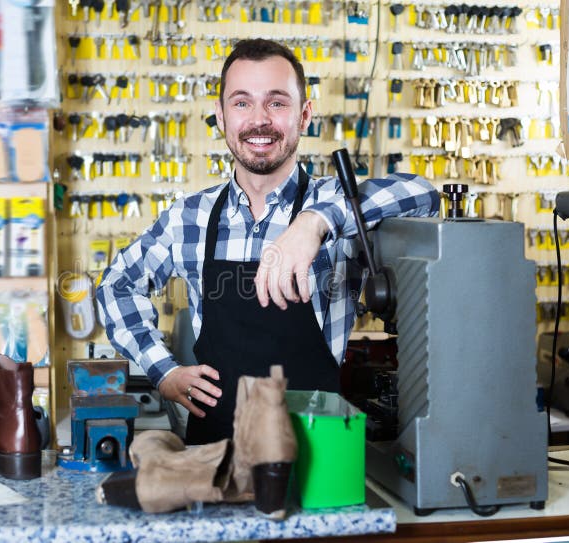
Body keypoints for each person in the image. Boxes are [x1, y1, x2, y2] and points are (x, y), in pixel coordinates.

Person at [96, 38, 439, 445]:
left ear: (304, 115)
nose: (259, 120)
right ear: (221, 117)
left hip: (318, 456)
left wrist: (315, 222)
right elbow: (116, 285)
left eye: (277, 102)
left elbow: (422, 193)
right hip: (216, 455)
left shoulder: (336, 206)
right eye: (242, 103)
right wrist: (163, 370)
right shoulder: (188, 217)